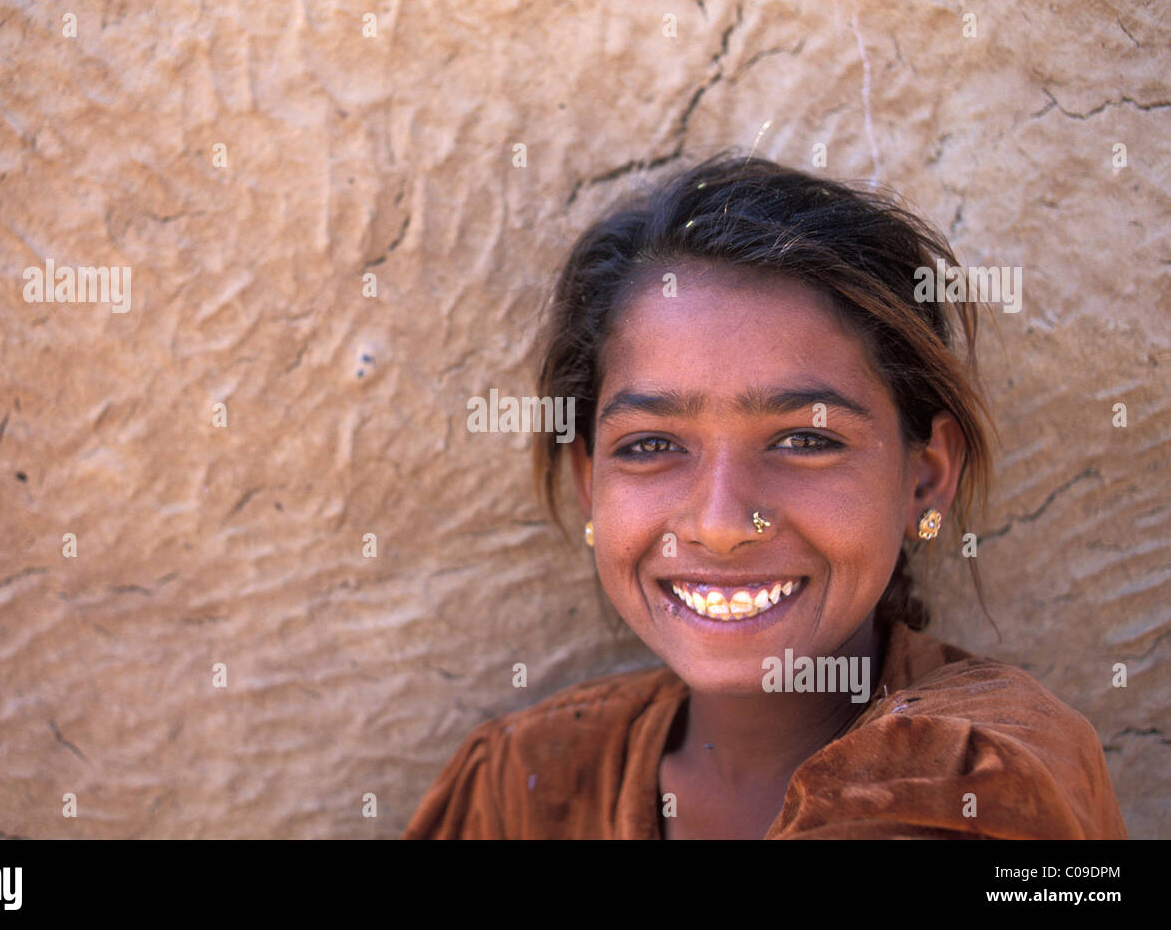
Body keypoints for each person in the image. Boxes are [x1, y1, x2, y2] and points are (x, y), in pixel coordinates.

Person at [402, 152, 1128, 839]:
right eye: (652, 445)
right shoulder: (524, 782)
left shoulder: (978, 774)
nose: (721, 524)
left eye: (805, 440)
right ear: (590, 483)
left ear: (927, 475)